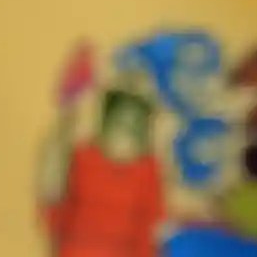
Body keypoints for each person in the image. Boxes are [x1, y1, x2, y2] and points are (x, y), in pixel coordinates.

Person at [40, 85, 165, 257]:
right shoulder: (84, 158)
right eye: (119, 124)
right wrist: (65, 123)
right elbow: (52, 196)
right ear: (103, 125)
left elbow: (152, 226)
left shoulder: (148, 171)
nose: (126, 134)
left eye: (135, 129)